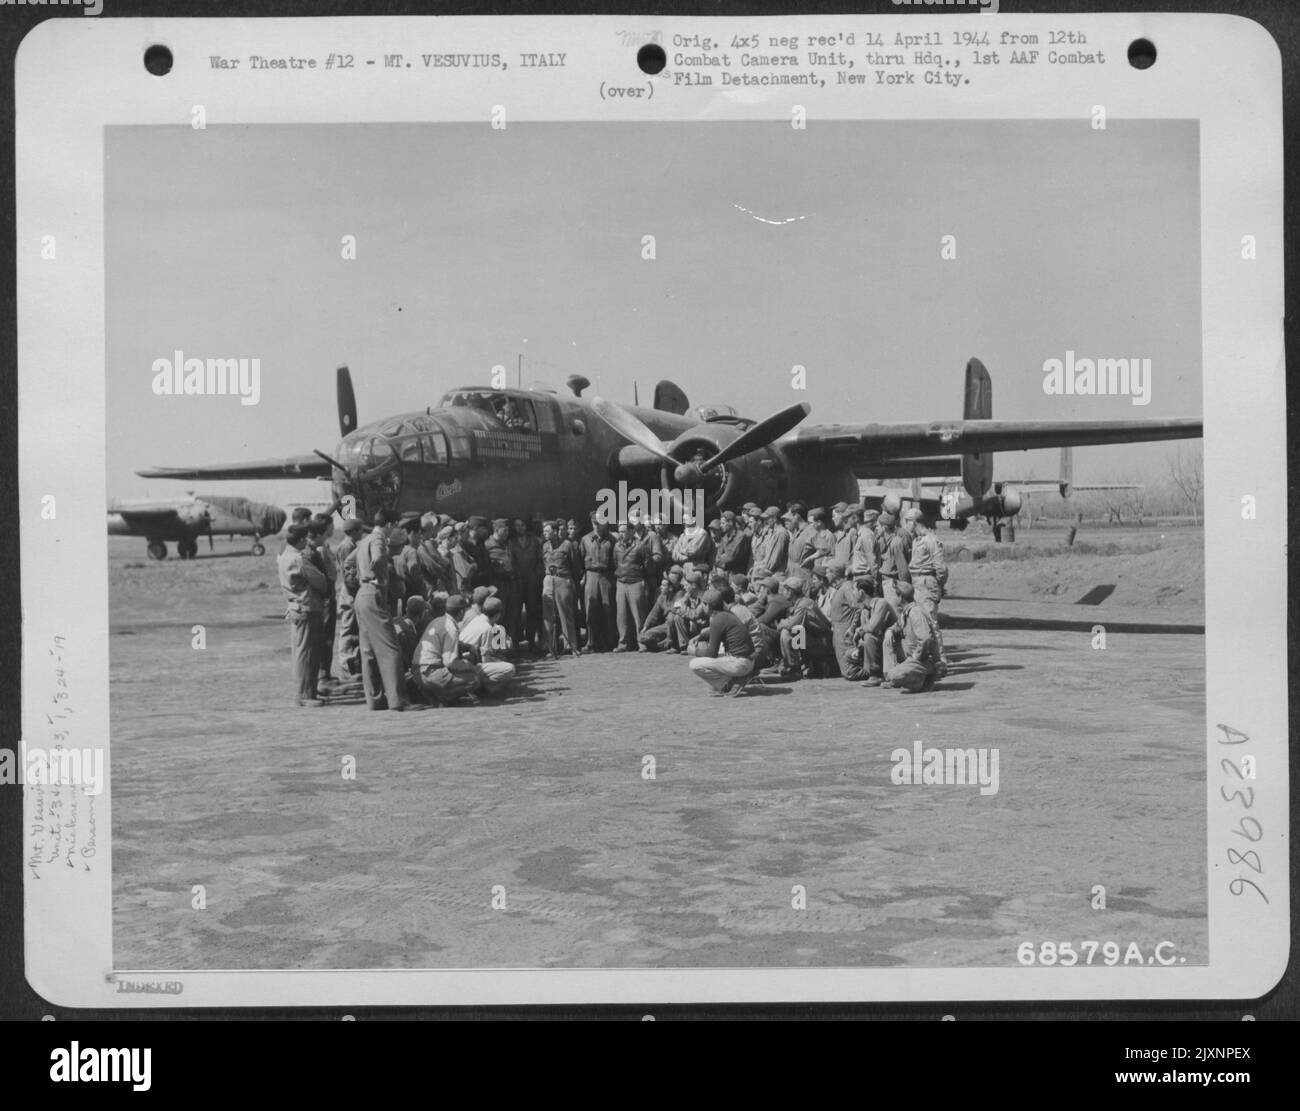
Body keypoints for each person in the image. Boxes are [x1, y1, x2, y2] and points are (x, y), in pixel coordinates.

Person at [355, 508, 412, 711]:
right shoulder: (379, 539)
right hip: (374, 592)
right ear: (389, 524)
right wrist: (381, 574)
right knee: (390, 649)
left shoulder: (364, 539)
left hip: (362, 594)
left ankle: (375, 700)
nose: (395, 530)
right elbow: (378, 558)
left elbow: (349, 562)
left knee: (368, 650)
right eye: (395, 525)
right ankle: (398, 700)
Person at [278, 524, 329, 707]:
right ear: (300, 540)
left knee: (301, 652)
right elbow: (320, 581)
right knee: (307, 654)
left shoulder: (283, 556)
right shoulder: (298, 559)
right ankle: (305, 695)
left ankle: (307, 692)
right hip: (307, 607)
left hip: (294, 607)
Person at [415, 593, 481, 705]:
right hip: (430, 672)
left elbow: (447, 642)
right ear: (461, 612)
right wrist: (469, 665)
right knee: (474, 679)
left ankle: (434, 692)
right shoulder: (451, 628)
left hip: (417, 670)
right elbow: (450, 662)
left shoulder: (438, 620)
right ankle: (442, 697)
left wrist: (468, 647)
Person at [688, 589, 757, 695]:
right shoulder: (725, 614)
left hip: (741, 663)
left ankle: (727, 684)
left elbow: (711, 654)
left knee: (694, 664)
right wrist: (700, 637)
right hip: (747, 661)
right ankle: (735, 679)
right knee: (712, 650)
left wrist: (694, 651)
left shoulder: (718, 619)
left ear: (708, 606)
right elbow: (716, 632)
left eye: (704, 604)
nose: (702, 607)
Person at [907, 512, 950, 675]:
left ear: (913, 522)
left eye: (907, 522)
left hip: (926, 583)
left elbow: (940, 567)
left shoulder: (930, 539)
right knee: (921, 623)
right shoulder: (917, 539)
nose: (906, 525)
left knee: (931, 623)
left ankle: (941, 662)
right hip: (917, 583)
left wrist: (938, 586)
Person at [882, 581, 941, 692]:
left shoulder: (916, 612)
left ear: (900, 597)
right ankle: (919, 679)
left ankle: (925, 677)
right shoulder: (906, 611)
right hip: (912, 658)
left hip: (922, 660)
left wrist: (916, 656)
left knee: (893, 676)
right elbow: (898, 626)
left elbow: (926, 638)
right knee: (890, 675)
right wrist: (890, 631)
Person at [457, 596, 518, 696]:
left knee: (500, 659)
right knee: (509, 668)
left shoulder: (478, 619)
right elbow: (485, 659)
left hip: (461, 661)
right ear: (498, 614)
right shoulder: (487, 628)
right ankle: (481, 690)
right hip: (467, 665)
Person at [306, 516, 339, 690]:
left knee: (329, 635)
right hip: (325, 596)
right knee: (325, 635)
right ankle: (322, 676)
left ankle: (325, 673)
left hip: (329, 593)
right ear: (325, 528)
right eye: (332, 525)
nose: (334, 527)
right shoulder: (319, 549)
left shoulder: (323, 546)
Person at [541, 519, 581, 658]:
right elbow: (543, 563)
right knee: (548, 615)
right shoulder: (545, 546)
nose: (545, 533)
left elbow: (575, 565)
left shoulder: (567, 545)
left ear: (556, 531)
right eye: (544, 531)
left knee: (566, 614)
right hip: (548, 580)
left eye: (547, 531)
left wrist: (573, 581)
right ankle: (551, 647)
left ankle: (571, 646)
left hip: (563, 579)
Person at [334, 517, 366, 679]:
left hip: (352, 593)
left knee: (354, 631)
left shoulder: (351, 545)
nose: (362, 532)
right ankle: (347, 668)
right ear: (353, 531)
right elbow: (348, 576)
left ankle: (353, 666)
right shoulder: (347, 547)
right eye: (360, 529)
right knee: (348, 631)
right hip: (350, 594)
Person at [613, 522, 651, 651]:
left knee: (639, 615)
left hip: (636, 582)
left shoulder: (640, 546)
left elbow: (648, 566)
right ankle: (623, 643)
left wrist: (644, 582)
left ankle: (642, 642)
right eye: (619, 531)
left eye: (623, 531)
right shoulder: (616, 546)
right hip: (621, 583)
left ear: (631, 531)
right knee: (621, 616)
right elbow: (615, 563)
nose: (621, 534)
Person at [580, 517, 617, 651]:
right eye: (594, 523)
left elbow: (616, 559)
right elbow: (580, 558)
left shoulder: (612, 539)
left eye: (599, 523)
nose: (596, 526)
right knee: (591, 608)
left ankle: (610, 641)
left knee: (609, 609)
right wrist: (583, 576)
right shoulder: (585, 539)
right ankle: (591, 642)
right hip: (591, 575)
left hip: (607, 576)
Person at [511, 518, 544, 652]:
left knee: (532, 611)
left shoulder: (535, 541)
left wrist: (536, 576)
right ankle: (516, 642)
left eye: (522, 525)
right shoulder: (511, 542)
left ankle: (531, 641)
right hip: (517, 581)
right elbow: (510, 560)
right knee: (515, 612)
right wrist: (514, 575)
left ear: (526, 526)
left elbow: (540, 560)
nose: (520, 528)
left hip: (532, 581)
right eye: (517, 526)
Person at [484, 518, 520, 643]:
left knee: (512, 616)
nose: (507, 533)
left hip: (511, 584)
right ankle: (498, 647)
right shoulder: (487, 545)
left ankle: (508, 646)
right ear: (496, 530)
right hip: (498, 585)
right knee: (499, 617)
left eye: (508, 531)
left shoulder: (508, 544)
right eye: (504, 531)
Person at [713, 510, 752, 577]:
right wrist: (722, 558)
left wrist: (723, 558)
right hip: (725, 572)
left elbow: (731, 557)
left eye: (723, 523)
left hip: (736, 574)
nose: (721, 526)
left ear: (730, 523)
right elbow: (717, 557)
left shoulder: (741, 536)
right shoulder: (724, 537)